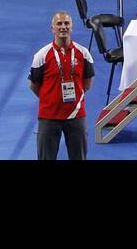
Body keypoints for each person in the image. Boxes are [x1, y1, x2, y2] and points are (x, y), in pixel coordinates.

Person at [28, 11, 95, 161]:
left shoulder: (83, 53)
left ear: (72, 27)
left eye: (66, 23)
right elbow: (34, 85)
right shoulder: (41, 55)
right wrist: (50, 99)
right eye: (59, 24)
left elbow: (87, 83)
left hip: (76, 115)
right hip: (49, 117)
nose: (63, 27)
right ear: (52, 29)